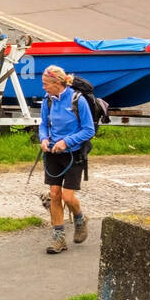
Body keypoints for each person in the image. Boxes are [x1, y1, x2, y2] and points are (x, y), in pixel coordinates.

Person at [38, 64, 94, 254]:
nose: (44, 87)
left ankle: (80, 218)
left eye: (46, 84)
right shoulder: (48, 100)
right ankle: (58, 238)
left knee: (68, 196)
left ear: (57, 83)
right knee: (54, 193)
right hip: (53, 154)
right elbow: (43, 124)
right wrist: (44, 139)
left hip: (73, 154)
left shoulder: (78, 100)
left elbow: (88, 130)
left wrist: (66, 142)